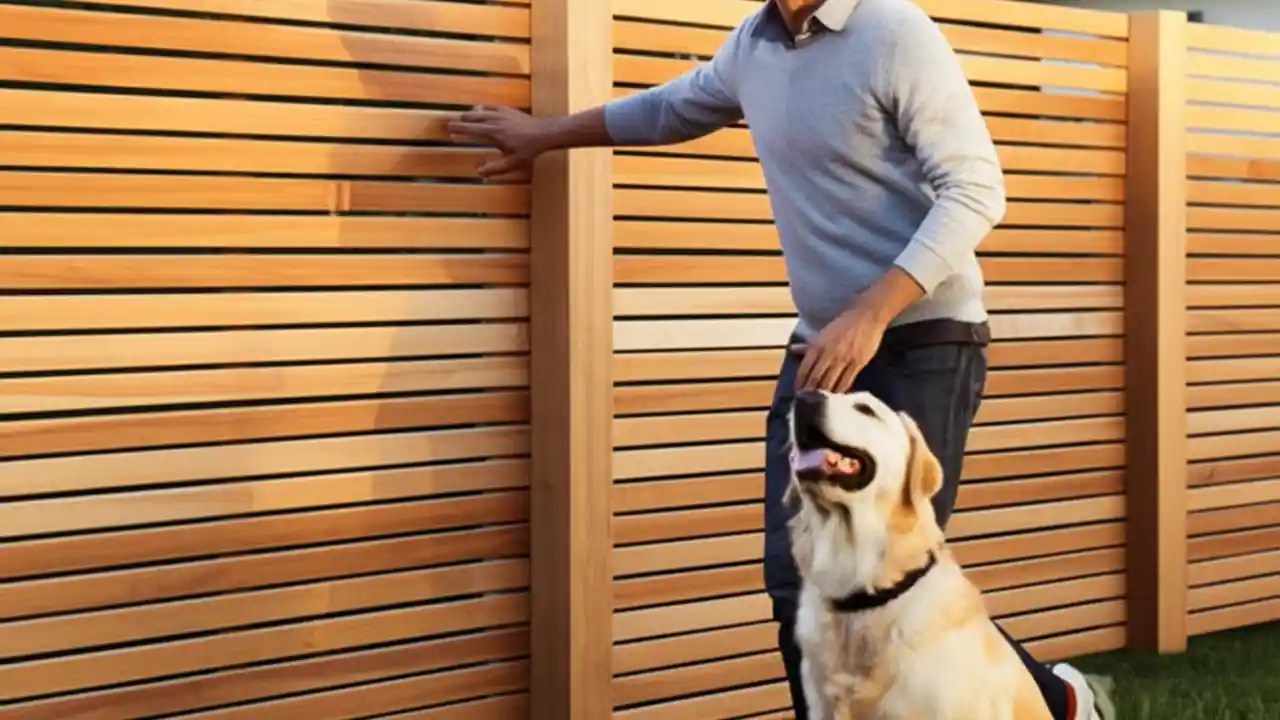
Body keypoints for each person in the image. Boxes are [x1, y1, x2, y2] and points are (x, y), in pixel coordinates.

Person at [449, 0, 1113, 718]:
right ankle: (1054, 700)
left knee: (889, 581)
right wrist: (547, 133)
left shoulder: (895, 34)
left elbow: (977, 190)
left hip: (924, 341)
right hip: (823, 351)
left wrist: (870, 313)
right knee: (800, 579)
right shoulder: (754, 45)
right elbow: (673, 108)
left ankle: (1045, 701)